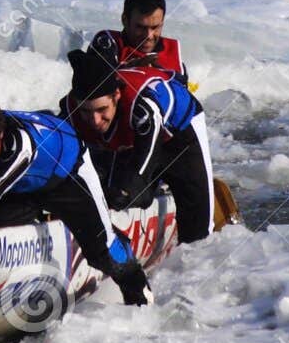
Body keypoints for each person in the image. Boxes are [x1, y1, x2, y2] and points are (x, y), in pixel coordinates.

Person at [0, 95, 149, 306]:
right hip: (21, 186)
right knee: (2, 242)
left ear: (0, 134)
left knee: (104, 252)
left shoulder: (21, 142)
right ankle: (19, 296)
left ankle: (139, 292)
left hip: (67, 175)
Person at [63, 48, 214, 244]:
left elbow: (143, 165)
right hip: (131, 134)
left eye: (102, 110)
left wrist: (129, 190)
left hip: (180, 131)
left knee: (196, 230)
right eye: (85, 111)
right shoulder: (70, 108)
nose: (95, 120)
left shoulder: (143, 107)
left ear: (116, 95)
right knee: (112, 188)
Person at [89, 0, 188, 82]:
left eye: (155, 27)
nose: (148, 36)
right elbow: (92, 85)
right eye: (140, 27)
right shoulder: (107, 43)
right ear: (125, 20)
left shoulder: (174, 55)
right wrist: (132, 68)